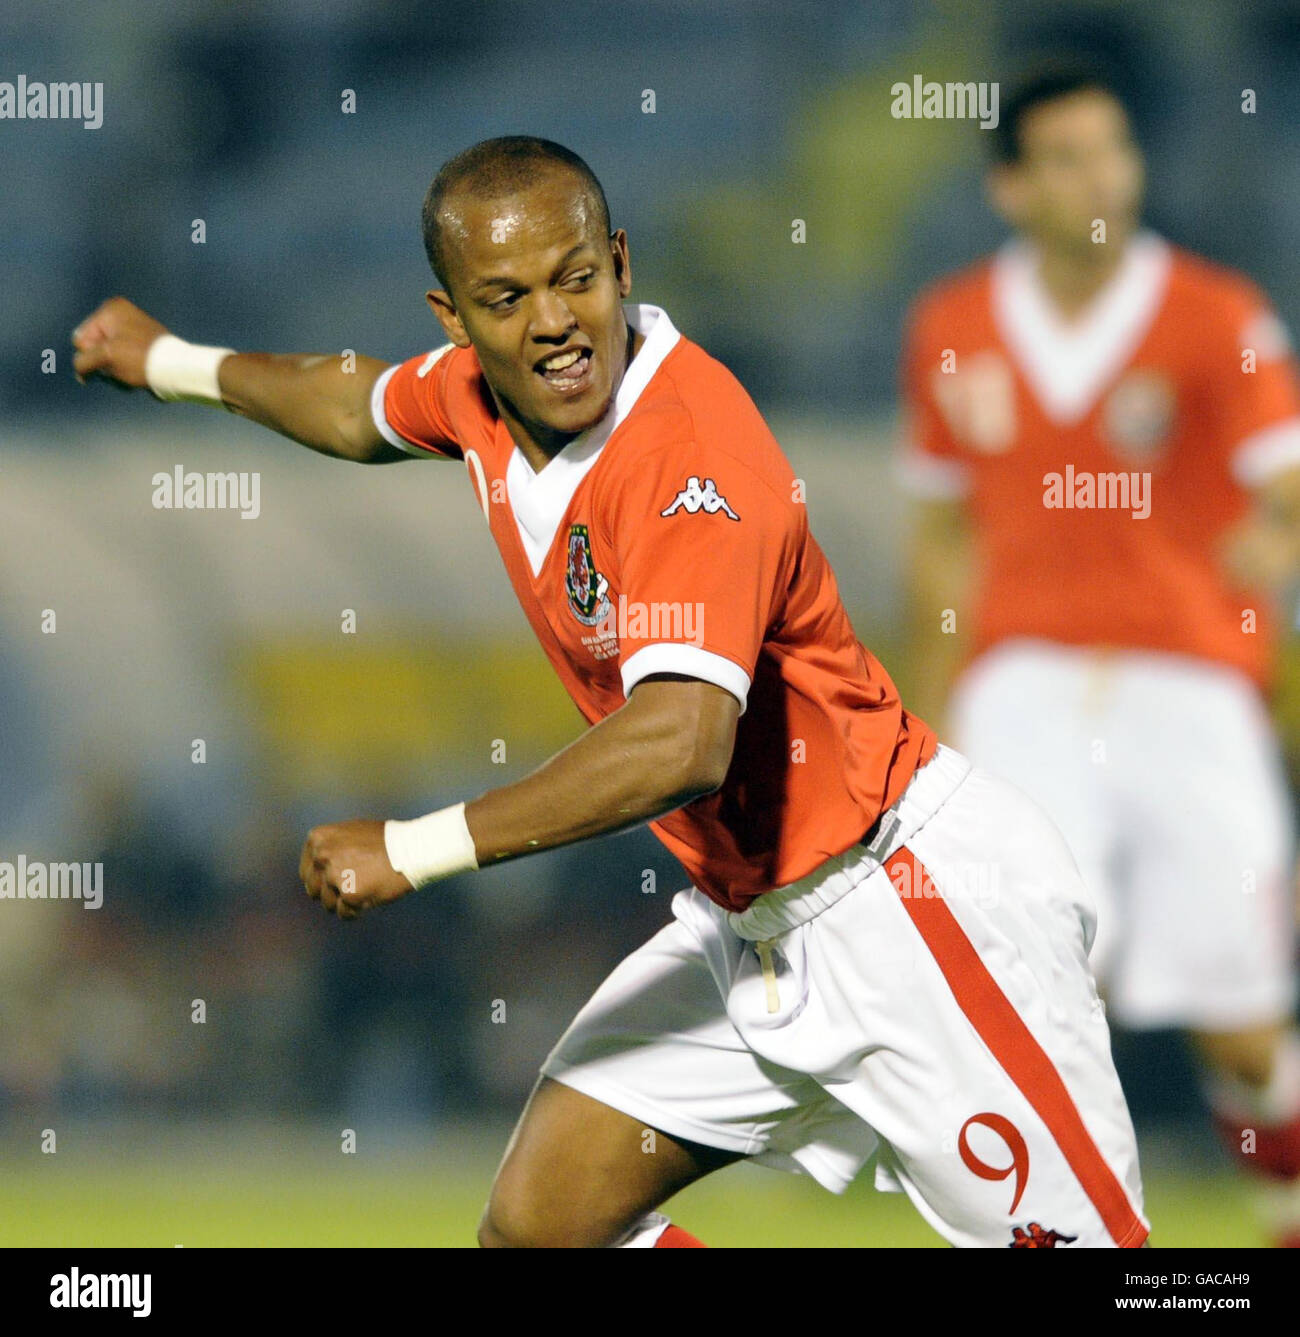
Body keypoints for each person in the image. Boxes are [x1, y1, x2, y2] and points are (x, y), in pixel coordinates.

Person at [75, 135, 1147, 1248]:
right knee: (541, 1228)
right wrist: (171, 362)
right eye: (508, 297)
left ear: (621, 262)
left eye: (575, 279)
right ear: (453, 319)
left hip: (912, 904)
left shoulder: (688, 455)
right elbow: (350, 404)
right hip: (753, 928)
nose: (552, 321)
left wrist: (417, 846)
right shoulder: (477, 400)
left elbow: (682, 741)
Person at [900, 68, 1300, 1245]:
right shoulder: (951, 325)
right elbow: (942, 542)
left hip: (1185, 684)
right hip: (1020, 689)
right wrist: (929, 726)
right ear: (1008, 186)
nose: (1101, 177)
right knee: (1022, 1003)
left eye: (1114, 149)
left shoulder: (1214, 314)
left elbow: (1282, 497)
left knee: (1241, 1023)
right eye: (1067, 156)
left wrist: (1267, 543)